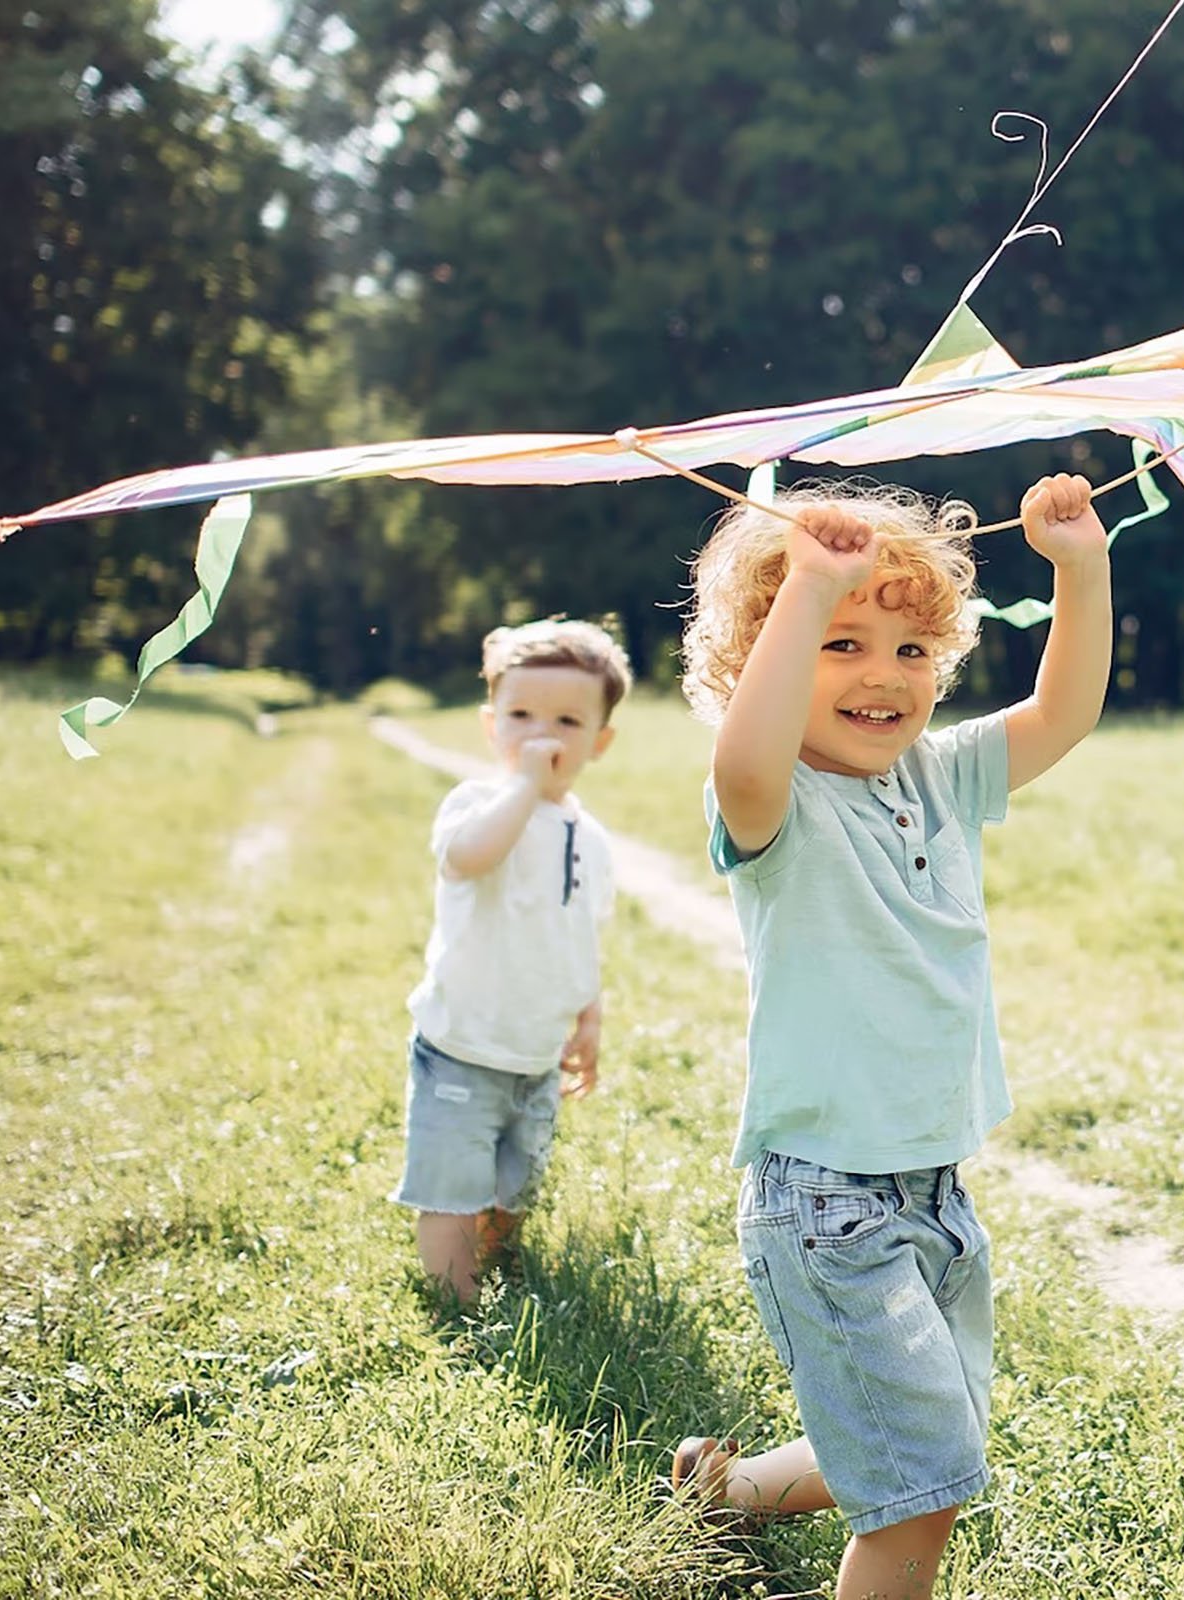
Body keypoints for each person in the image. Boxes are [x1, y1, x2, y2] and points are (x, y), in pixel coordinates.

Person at [669, 473, 1110, 1600]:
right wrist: (807, 585)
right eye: (840, 642)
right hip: (826, 1206)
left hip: (930, 1190)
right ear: (759, 659)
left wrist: (1079, 566)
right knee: (921, 1490)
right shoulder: (776, 804)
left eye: (911, 651)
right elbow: (744, 759)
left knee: (930, 1435)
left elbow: (1062, 713)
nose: (882, 675)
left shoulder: (941, 777)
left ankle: (718, 1492)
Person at [394, 619, 629, 1305]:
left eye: (565, 720)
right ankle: (454, 1307)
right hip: (462, 1044)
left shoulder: (592, 839)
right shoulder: (478, 804)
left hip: (535, 1055)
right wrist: (526, 788)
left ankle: (501, 1267)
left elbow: (584, 933)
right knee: (452, 1188)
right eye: (521, 716)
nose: (541, 736)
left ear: (600, 741)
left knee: (516, 1183)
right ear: (490, 724)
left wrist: (589, 1017)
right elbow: (468, 858)